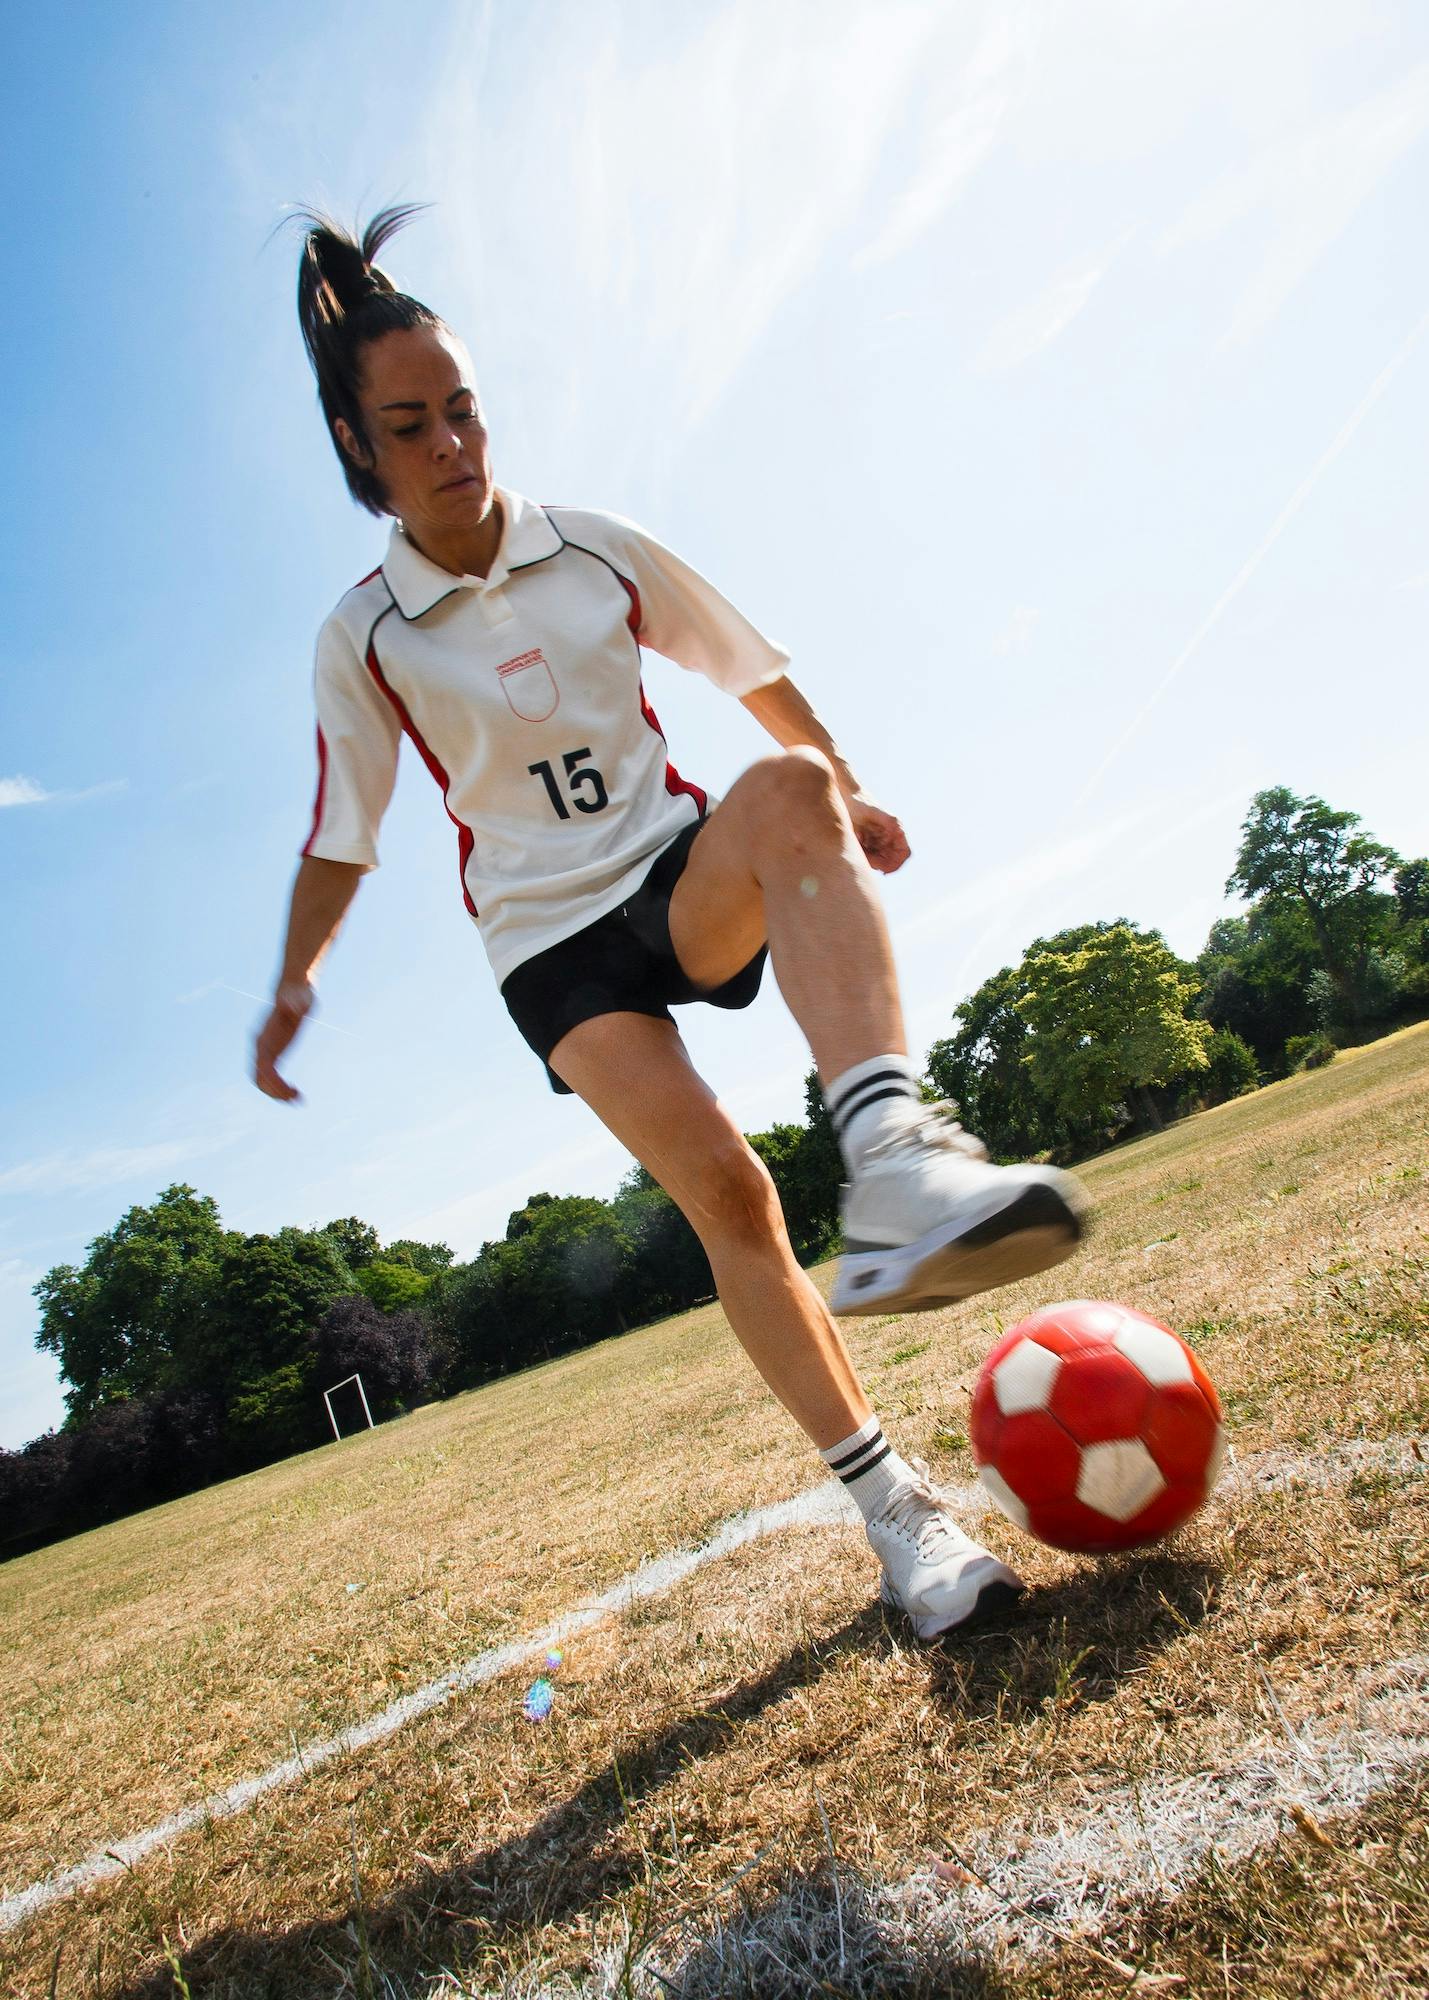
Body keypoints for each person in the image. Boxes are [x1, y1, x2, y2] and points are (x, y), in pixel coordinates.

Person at [254, 207, 1088, 1639]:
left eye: (464, 409)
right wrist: (295, 981)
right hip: (549, 952)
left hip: (671, 875)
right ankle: (900, 1519)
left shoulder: (593, 544)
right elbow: (344, 832)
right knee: (728, 1198)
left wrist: (847, 795)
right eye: (412, 426)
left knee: (785, 785)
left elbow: (750, 671)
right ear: (356, 449)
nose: (453, 443)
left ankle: (891, 1162)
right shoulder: (364, 636)